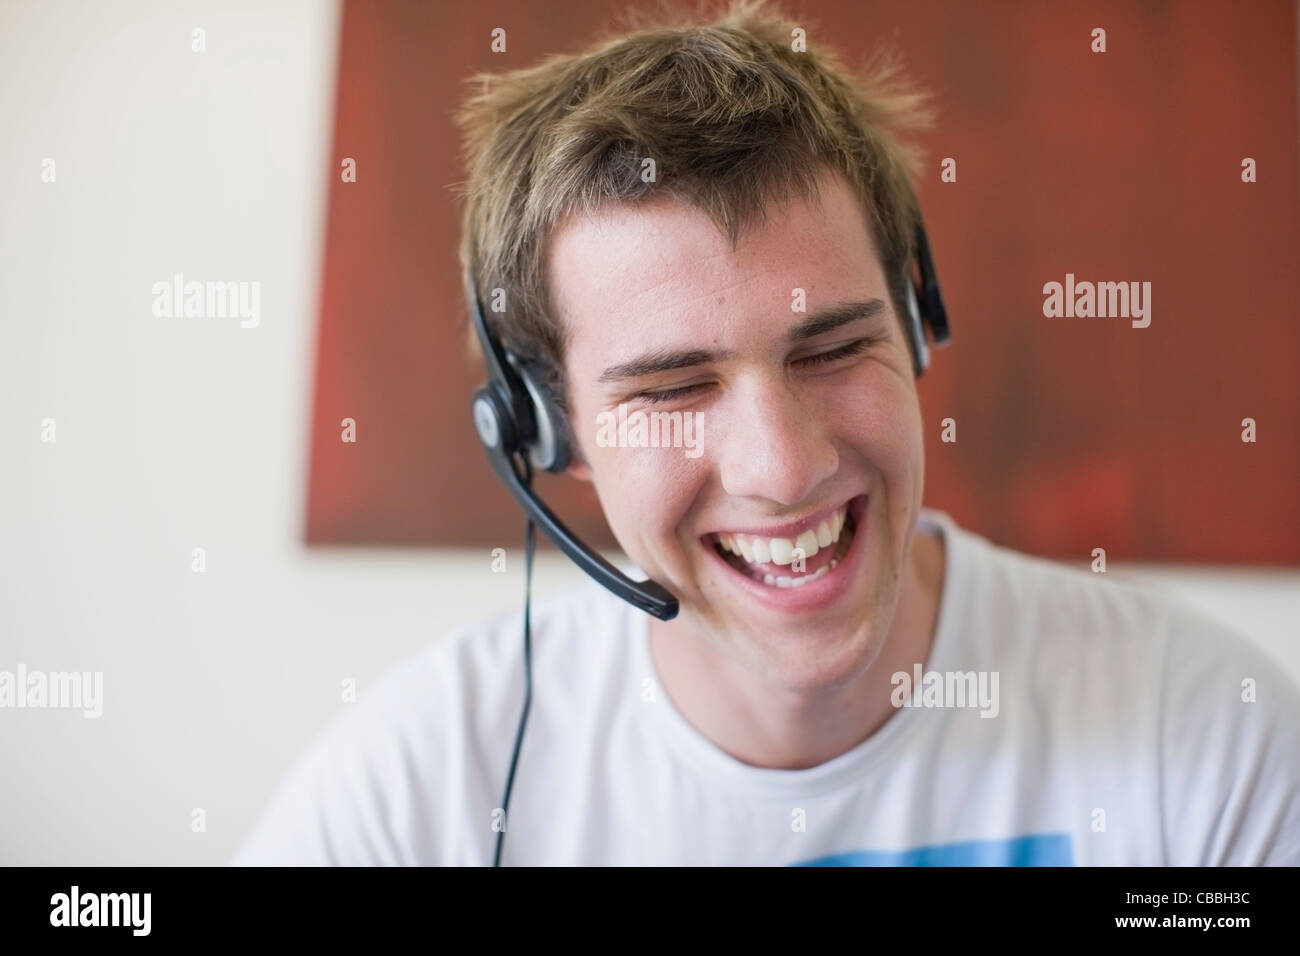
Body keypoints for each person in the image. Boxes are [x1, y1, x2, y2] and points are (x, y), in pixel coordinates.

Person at [232, 0, 1300, 866]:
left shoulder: (1200, 732)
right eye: (671, 387)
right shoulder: (421, 787)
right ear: (548, 430)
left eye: (831, 349)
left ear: (916, 322)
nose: (782, 465)